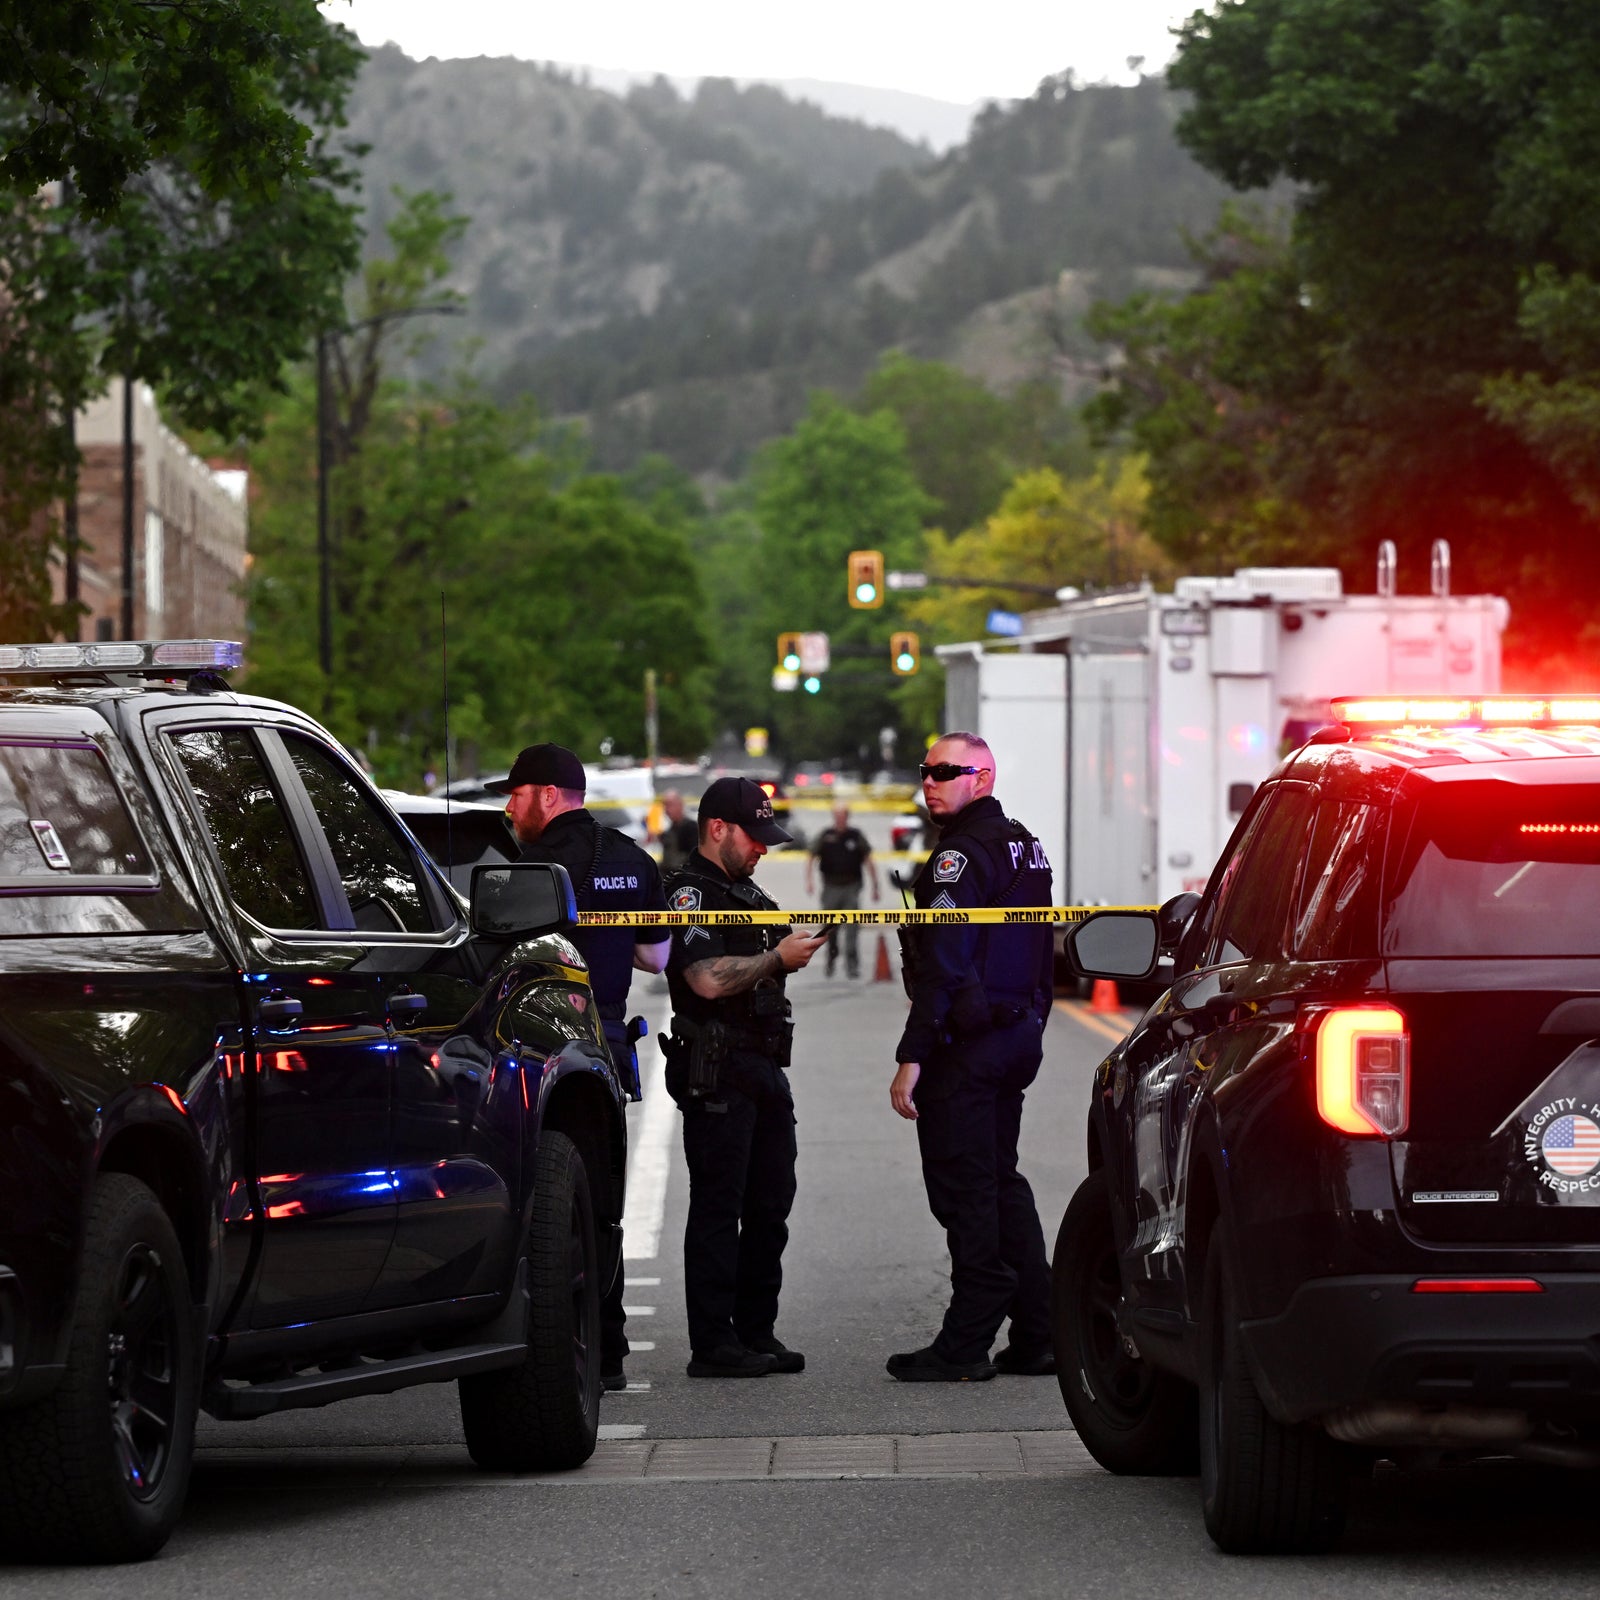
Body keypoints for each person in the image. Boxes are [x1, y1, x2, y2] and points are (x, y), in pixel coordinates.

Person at [486, 743, 670, 1394]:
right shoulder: (633, 858)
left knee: (548, 1203)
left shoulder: (525, 869)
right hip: (607, 1045)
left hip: (538, 1047)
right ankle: (608, 1348)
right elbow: (657, 956)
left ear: (546, 795)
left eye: (515, 795)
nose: (510, 809)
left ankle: (554, 1343)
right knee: (601, 1200)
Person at [886, 732, 1056, 1382]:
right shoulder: (1025, 845)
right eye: (925, 771)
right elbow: (1040, 951)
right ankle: (1039, 1333)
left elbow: (945, 964)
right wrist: (1035, 1022)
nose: (930, 782)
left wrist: (913, 1055)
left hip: (970, 1046)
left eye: (946, 772)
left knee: (965, 1188)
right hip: (1014, 1037)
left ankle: (965, 1343)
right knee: (1000, 1180)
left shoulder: (959, 857)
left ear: (982, 778)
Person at [661, 776, 828, 1378]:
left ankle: (756, 1330)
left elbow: (769, 954)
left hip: (763, 1064)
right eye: (753, 836)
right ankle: (713, 1343)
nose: (762, 847)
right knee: (718, 1206)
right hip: (718, 1068)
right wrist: (775, 959)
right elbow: (705, 978)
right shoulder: (687, 893)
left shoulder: (751, 894)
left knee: (770, 1204)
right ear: (717, 829)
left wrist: (789, 951)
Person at [804, 804, 880, 978]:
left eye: (842, 816)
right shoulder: (826, 836)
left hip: (851, 887)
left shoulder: (856, 836)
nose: (840, 819)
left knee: (852, 927)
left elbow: (868, 860)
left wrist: (875, 886)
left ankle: (852, 965)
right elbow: (810, 857)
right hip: (831, 887)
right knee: (829, 927)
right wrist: (809, 881)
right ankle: (831, 958)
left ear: (847, 817)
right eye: (837, 816)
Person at [655, 789, 698, 874]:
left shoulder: (691, 828)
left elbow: (694, 859)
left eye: (670, 805)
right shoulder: (670, 831)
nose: (666, 810)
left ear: (680, 805)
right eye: (665, 805)